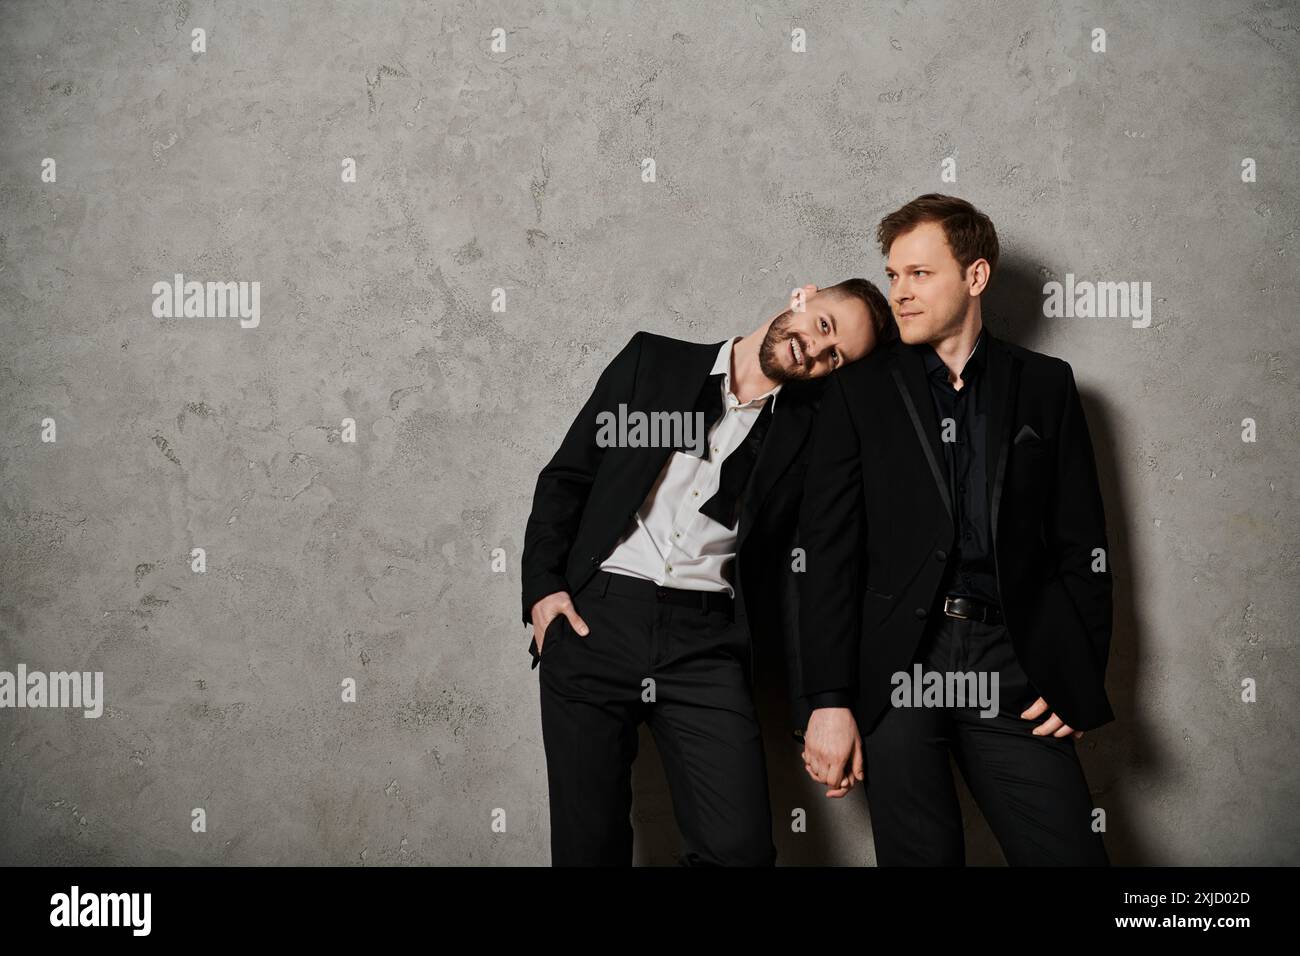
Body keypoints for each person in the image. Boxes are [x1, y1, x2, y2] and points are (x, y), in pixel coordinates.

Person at [521, 279, 892, 865]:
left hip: (707, 643)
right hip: (597, 622)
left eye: (834, 357)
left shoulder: (813, 430)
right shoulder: (654, 361)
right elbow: (569, 477)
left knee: (738, 851)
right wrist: (544, 591)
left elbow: (817, 569)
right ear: (802, 297)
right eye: (823, 326)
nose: (814, 352)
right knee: (587, 849)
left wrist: (823, 702)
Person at [797, 194, 1113, 865]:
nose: (900, 293)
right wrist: (828, 700)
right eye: (892, 275)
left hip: (1014, 661)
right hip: (899, 665)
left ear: (975, 277)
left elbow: (1083, 546)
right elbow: (827, 554)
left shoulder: (1046, 386)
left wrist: (1077, 675)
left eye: (920, 274)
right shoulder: (858, 389)